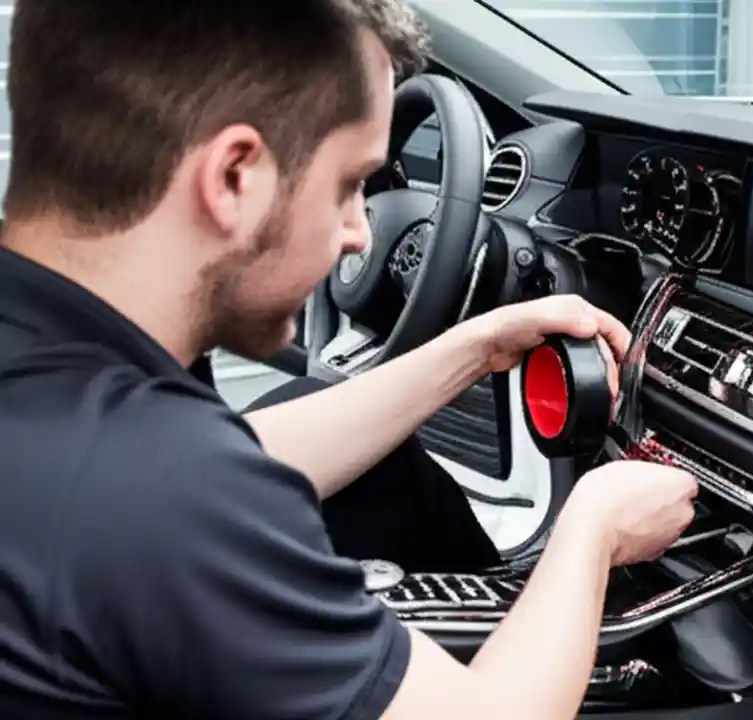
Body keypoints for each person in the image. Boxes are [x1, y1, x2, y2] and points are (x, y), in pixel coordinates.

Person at [0, 1, 698, 718]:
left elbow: (247, 457)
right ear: (234, 177)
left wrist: (475, 348)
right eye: (349, 186)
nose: (360, 235)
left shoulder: (60, 381)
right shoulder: (156, 487)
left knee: (378, 474)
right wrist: (594, 529)